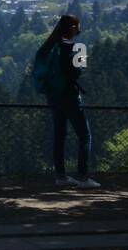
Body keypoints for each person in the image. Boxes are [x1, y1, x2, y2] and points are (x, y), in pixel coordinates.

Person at [36, 14, 99, 188]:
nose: (79, 30)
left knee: (59, 135)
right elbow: (78, 72)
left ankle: (61, 176)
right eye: (78, 27)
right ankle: (84, 177)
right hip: (70, 96)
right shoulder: (78, 48)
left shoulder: (50, 46)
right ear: (72, 28)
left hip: (53, 96)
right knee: (85, 136)